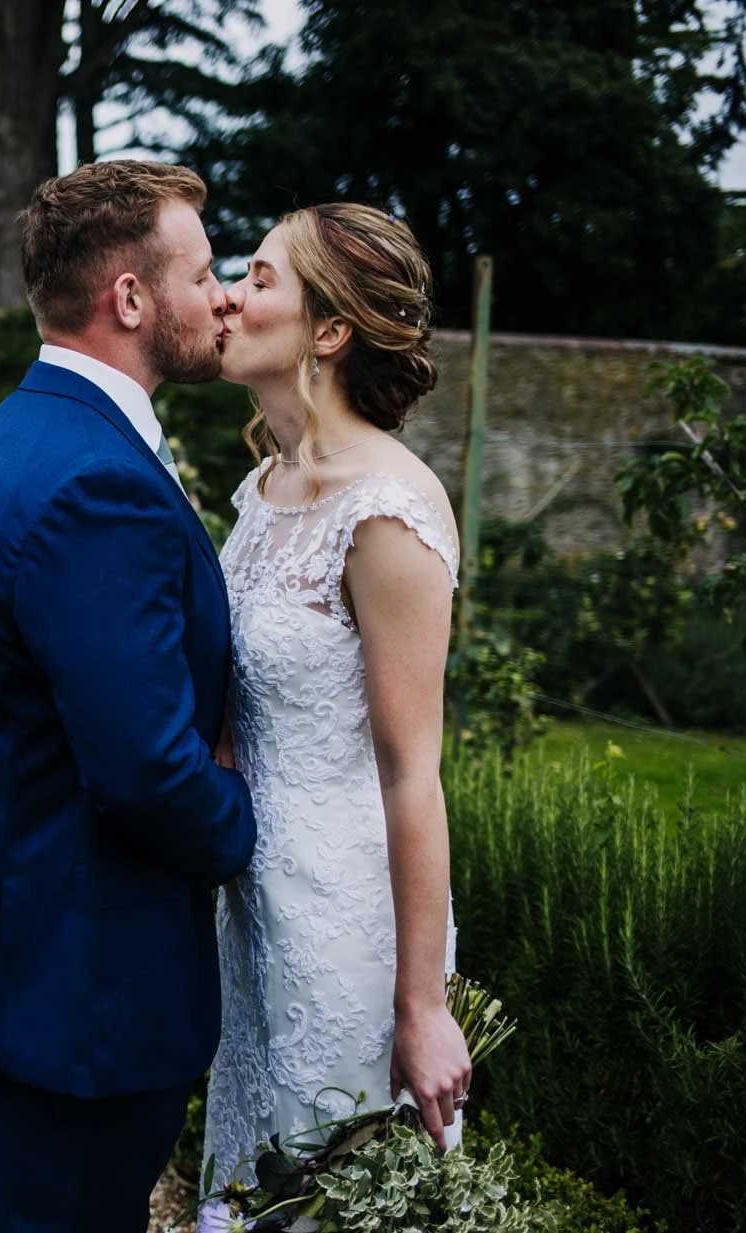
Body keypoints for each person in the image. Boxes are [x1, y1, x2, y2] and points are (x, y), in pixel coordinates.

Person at [0, 159, 257, 1232]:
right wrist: (250, 828)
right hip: (83, 988)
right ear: (130, 299)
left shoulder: (20, 437)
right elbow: (144, 770)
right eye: (198, 274)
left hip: (23, 959)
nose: (218, 296)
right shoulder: (94, 484)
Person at [202, 202, 473, 1187]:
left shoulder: (386, 510)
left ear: (328, 330)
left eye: (260, 277)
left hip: (341, 929)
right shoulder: (263, 489)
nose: (228, 292)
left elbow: (411, 774)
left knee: (330, 1191)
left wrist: (421, 1005)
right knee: (251, 1186)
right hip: (256, 918)